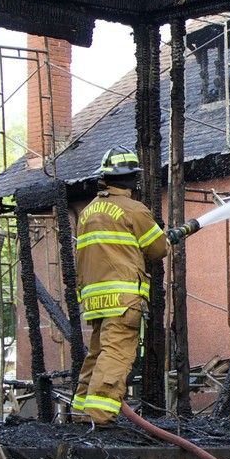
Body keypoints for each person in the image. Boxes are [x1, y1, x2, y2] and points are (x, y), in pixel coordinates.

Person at [72, 145, 167, 425]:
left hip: (94, 299)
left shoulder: (88, 212)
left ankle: (80, 410)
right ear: (133, 178)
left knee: (98, 352)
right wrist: (164, 239)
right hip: (124, 298)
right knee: (116, 353)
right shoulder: (134, 210)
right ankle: (99, 415)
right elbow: (157, 250)